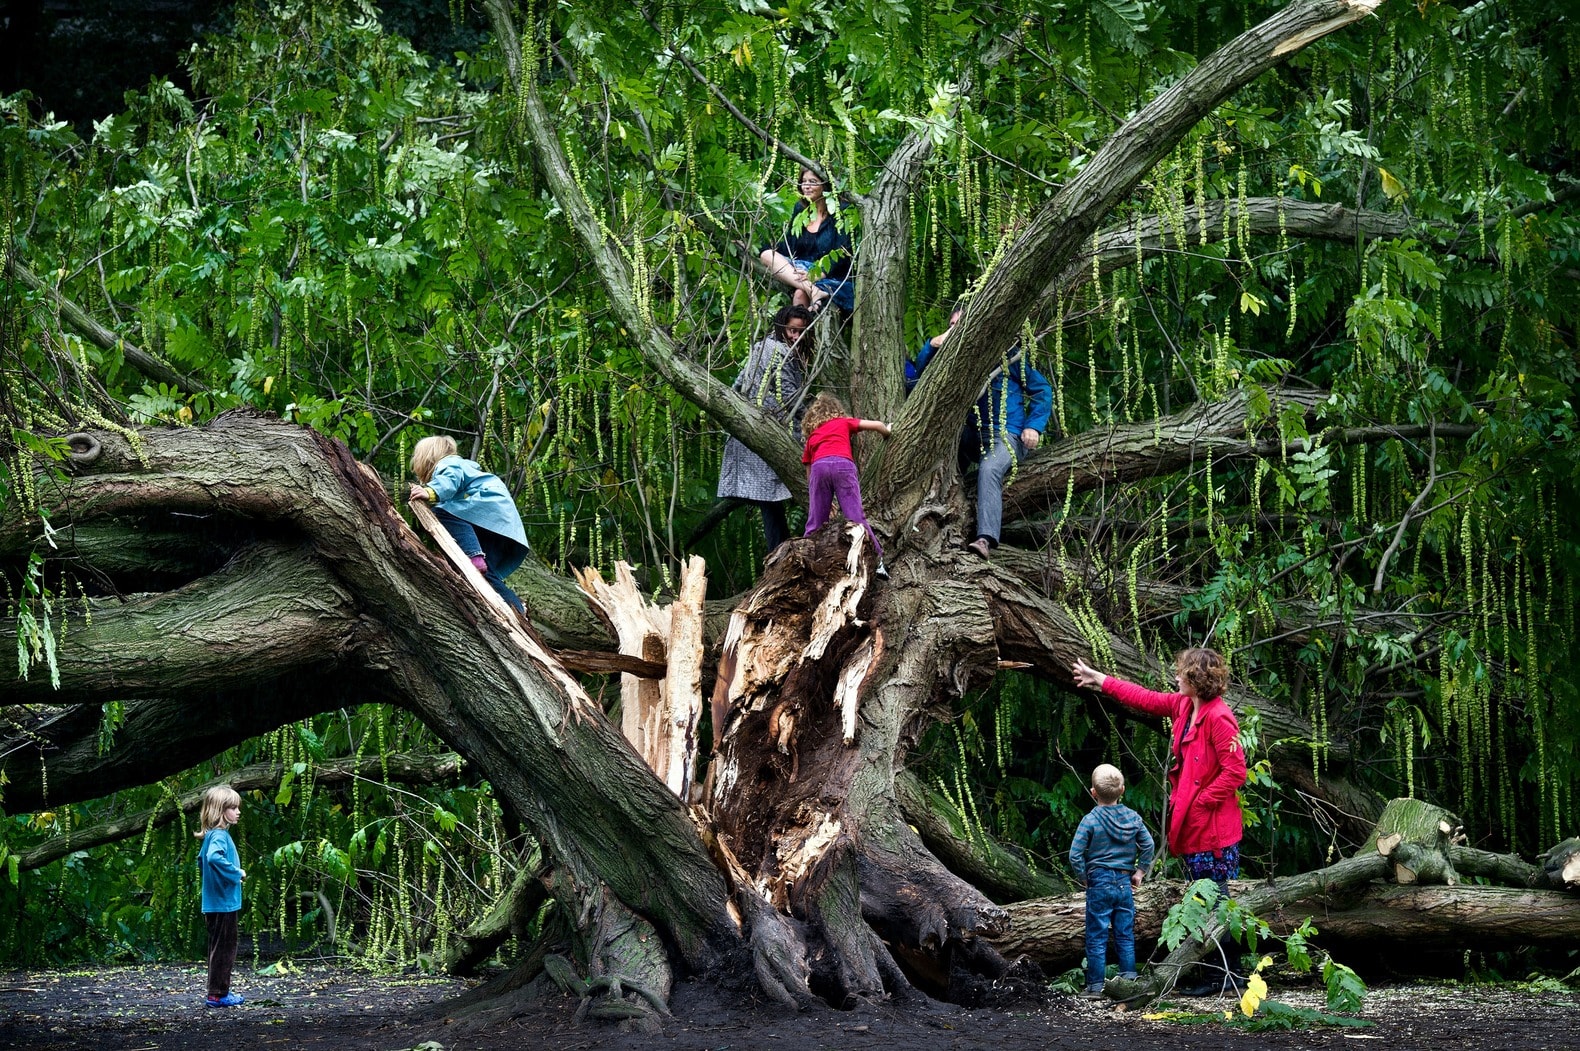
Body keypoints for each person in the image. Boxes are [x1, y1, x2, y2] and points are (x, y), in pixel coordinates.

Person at [1071, 648, 1249, 996]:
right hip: (1194, 827)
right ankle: (1216, 973)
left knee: (1214, 901)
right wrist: (1101, 680)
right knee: (1203, 900)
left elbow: (1235, 770)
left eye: (1182, 673)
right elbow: (1145, 698)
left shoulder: (1219, 717)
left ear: (1197, 680)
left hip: (1212, 830)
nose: (1177, 677)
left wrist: (1200, 803)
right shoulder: (1185, 706)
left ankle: (1227, 975)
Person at [906, 302, 1052, 559]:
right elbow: (918, 381)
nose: (955, 330)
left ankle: (985, 539)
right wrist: (932, 346)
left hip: (1007, 434)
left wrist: (1033, 426)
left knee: (989, 469)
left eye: (959, 325)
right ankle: (934, 508)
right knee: (944, 440)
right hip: (972, 434)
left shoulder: (1007, 355)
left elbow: (1042, 390)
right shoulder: (953, 360)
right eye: (951, 325)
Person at [717, 304, 815, 556]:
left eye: (800, 332)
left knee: (770, 502)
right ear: (781, 326)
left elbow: (739, 383)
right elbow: (790, 396)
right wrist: (815, 422)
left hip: (752, 427)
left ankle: (781, 553)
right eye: (792, 330)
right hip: (772, 428)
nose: (795, 336)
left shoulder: (760, 348)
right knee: (781, 497)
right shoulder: (779, 351)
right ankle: (785, 554)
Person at [409, 435, 530, 614]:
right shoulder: (466, 468)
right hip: (501, 527)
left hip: (488, 511)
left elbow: (448, 481)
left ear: (427, 458)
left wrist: (430, 492)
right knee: (486, 577)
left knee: (441, 512)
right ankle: (517, 611)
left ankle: (474, 556)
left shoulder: (449, 464)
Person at [1069, 763, 1155, 998]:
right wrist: (1140, 872)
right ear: (1123, 790)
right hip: (1124, 882)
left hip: (1099, 881)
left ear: (1093, 792)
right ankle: (1129, 980)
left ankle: (1096, 986)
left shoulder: (1090, 820)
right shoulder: (1133, 817)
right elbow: (1149, 845)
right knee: (1124, 933)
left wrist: (1084, 878)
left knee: (1096, 935)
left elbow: (1075, 854)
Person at [799, 392, 891, 579]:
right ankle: (878, 561)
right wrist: (887, 431)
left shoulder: (812, 437)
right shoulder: (843, 422)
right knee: (856, 517)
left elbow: (809, 474)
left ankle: (805, 562)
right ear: (836, 411)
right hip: (843, 466)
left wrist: (818, 497)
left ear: (811, 419)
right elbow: (876, 425)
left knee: (815, 521)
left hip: (819, 469)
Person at [759, 168, 854, 314]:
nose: (806, 186)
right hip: (801, 270)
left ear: (825, 185)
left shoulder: (842, 210)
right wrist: (757, 246)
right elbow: (789, 246)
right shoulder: (800, 209)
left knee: (799, 294)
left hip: (832, 275)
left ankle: (802, 334)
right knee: (766, 255)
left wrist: (818, 273)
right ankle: (812, 290)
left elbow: (843, 251)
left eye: (813, 182)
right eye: (803, 182)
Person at [196, 784, 246, 1008]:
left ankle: (217, 991)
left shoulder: (211, 835)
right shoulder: (219, 836)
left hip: (214, 902)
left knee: (218, 948)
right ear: (219, 810)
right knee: (225, 950)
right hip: (224, 904)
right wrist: (236, 873)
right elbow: (212, 858)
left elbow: (201, 860)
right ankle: (218, 994)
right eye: (233, 807)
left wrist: (213, 881)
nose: (238, 812)